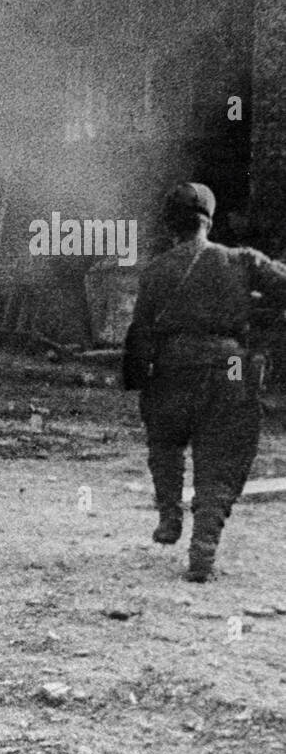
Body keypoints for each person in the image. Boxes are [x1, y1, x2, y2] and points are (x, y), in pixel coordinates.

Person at [122, 182, 286, 582]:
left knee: (165, 442)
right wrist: (260, 314)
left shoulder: (158, 270)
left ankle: (169, 516)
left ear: (170, 226)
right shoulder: (240, 260)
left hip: (172, 364)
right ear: (208, 222)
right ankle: (205, 548)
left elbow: (140, 329)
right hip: (228, 364)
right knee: (223, 452)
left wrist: (137, 379)